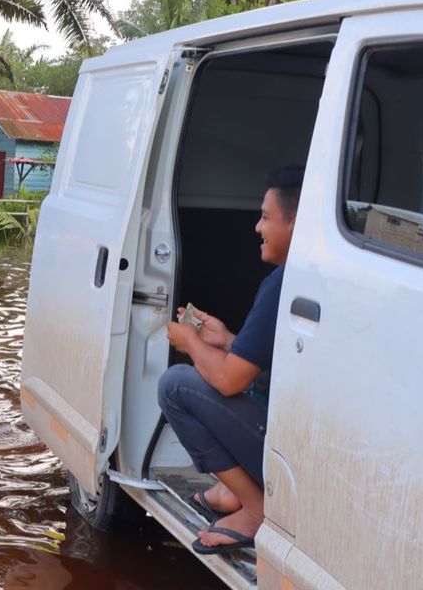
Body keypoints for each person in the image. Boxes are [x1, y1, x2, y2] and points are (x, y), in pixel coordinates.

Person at [157, 165, 303, 555]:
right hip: (299, 437)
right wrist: (226, 340)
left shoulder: (281, 285)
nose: (257, 227)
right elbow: (270, 364)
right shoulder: (310, 275)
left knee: (175, 386)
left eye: (266, 217)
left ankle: (255, 510)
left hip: (287, 448)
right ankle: (235, 491)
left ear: (296, 223)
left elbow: (228, 380)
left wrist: (190, 341)